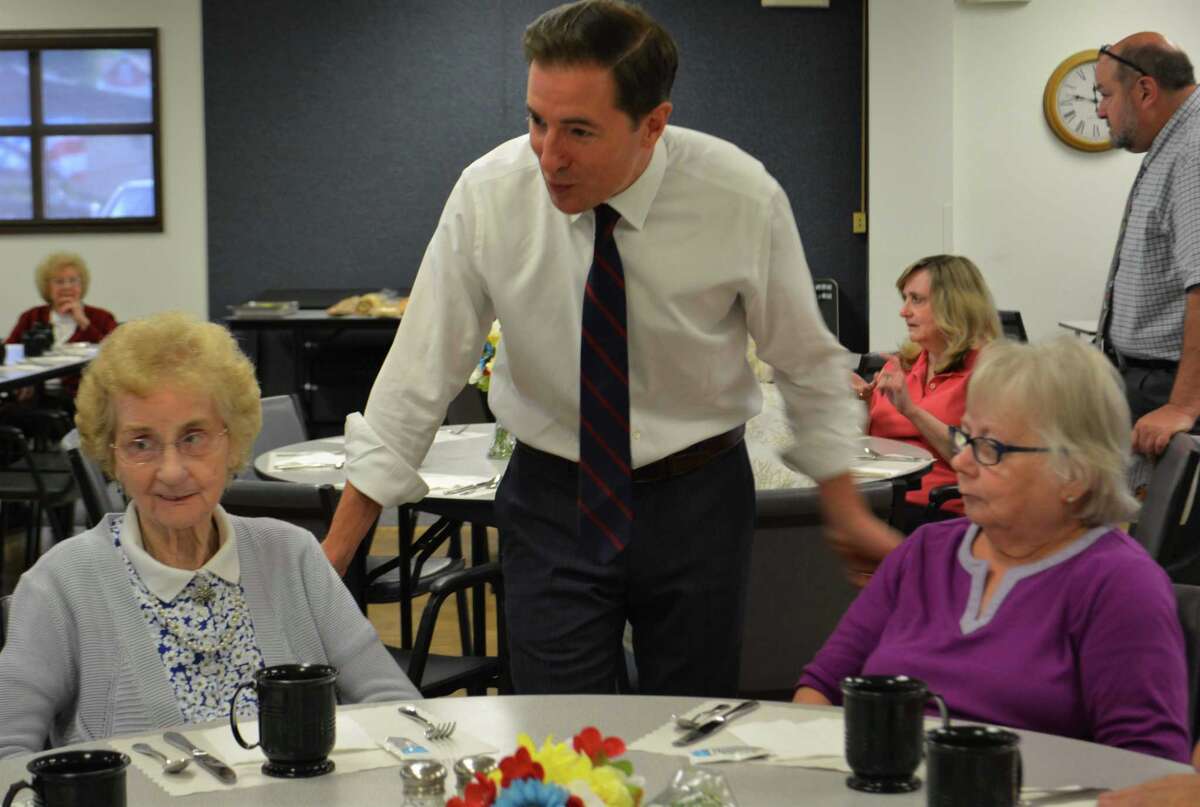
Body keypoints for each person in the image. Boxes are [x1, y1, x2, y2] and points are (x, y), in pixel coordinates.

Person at [321, 0, 900, 697]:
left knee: (689, 733)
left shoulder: (738, 195)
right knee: (562, 732)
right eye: (536, 120)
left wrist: (843, 506)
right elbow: (419, 369)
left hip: (698, 499)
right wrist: (336, 551)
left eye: (579, 131)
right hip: (552, 495)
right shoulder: (490, 194)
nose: (549, 155)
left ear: (653, 125)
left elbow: (805, 362)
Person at [0, 312, 417, 757]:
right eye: (141, 442)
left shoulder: (291, 555)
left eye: (194, 437)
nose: (173, 470)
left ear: (232, 440)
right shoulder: (62, 584)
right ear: (111, 454)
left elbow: (396, 710)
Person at [794, 337, 1192, 763]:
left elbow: (1148, 768)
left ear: (1074, 473)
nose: (961, 462)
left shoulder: (1118, 585)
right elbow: (822, 685)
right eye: (965, 438)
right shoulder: (926, 552)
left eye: (989, 448)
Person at [1094, 34, 1200, 459]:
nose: (1101, 109)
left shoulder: (1193, 150)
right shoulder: (1173, 144)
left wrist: (1183, 404)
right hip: (1149, 383)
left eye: (1105, 94)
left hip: (1169, 387)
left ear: (1145, 90)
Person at [854, 255, 1000, 532]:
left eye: (916, 300)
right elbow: (870, 445)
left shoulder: (988, 372)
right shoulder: (901, 364)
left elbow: (982, 458)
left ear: (954, 307)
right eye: (905, 299)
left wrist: (911, 411)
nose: (903, 311)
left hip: (939, 511)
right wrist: (859, 401)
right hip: (878, 499)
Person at [6, 252, 118, 348]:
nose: (67, 287)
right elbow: (8, 352)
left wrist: (84, 323)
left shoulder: (102, 317)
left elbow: (116, 354)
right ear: (47, 287)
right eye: (59, 281)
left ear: (82, 284)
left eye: (73, 280)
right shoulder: (31, 317)